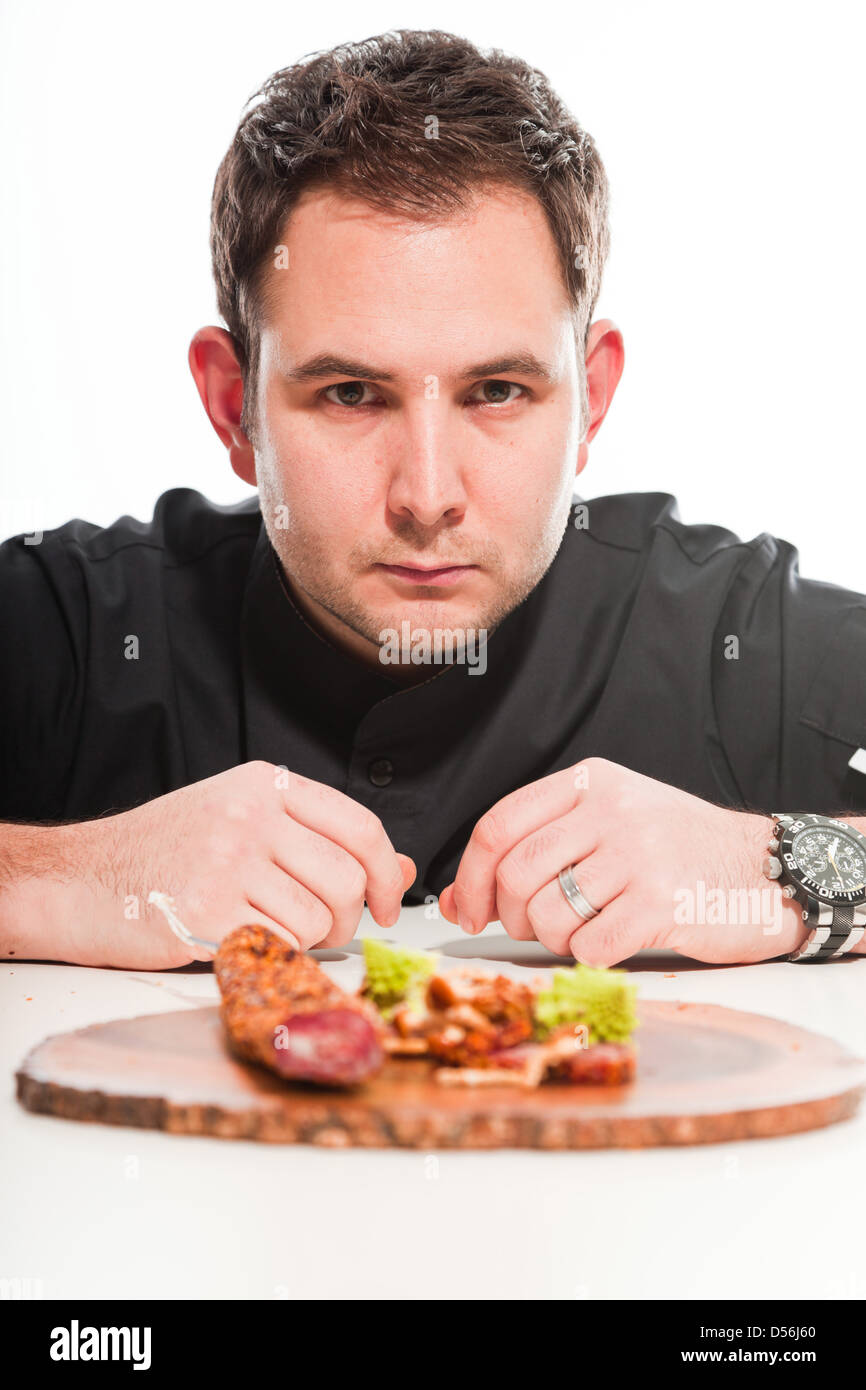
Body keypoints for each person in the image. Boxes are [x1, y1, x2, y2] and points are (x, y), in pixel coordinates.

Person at [2, 30, 865, 971]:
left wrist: (779, 870)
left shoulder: (733, 638)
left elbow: (795, 870)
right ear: (233, 407)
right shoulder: (68, 629)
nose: (426, 496)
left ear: (592, 400)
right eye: (349, 394)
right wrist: (67, 875)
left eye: (496, 392)